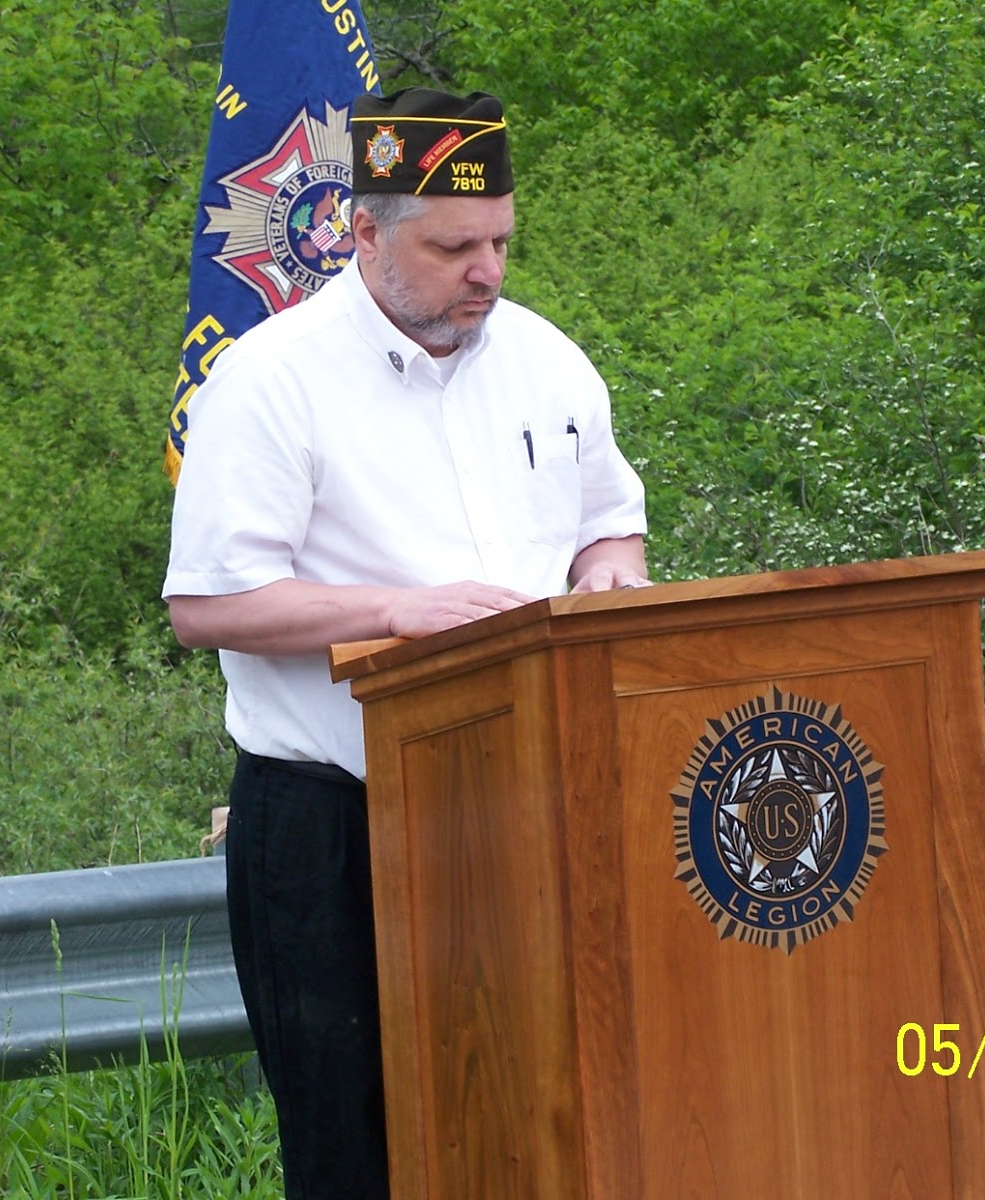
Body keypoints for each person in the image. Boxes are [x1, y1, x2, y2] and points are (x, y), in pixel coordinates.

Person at [162, 87, 649, 1200]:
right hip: (338, 825)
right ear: (363, 234)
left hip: (530, 806)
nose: (486, 271)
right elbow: (209, 605)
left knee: (537, 1130)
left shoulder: (547, 360)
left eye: (499, 242)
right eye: (452, 247)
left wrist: (610, 579)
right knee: (356, 1156)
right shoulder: (270, 378)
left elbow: (606, 518)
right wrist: (393, 610)